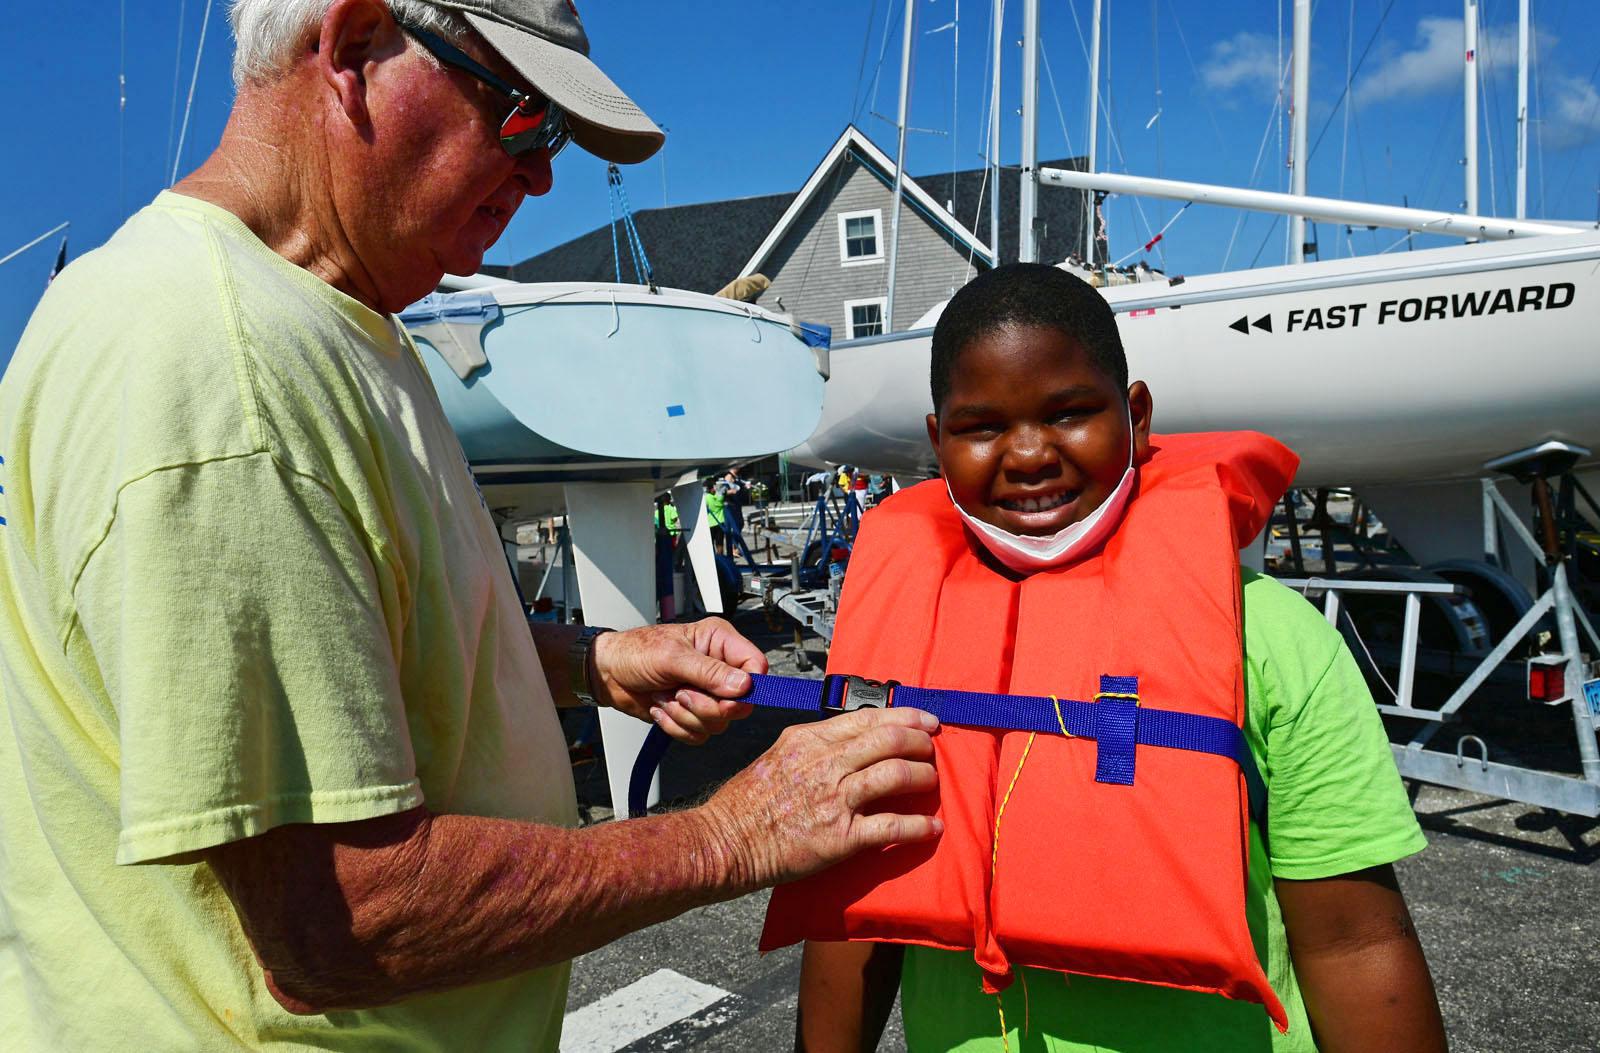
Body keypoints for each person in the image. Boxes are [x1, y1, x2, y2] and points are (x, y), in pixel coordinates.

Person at [0, 2, 942, 1048]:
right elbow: (346, 919)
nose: (543, 174)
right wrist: (731, 835)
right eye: (523, 117)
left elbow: (354, 651)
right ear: (354, 49)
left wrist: (593, 659)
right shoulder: (225, 365)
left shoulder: (338, 325)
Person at [795, 264, 1445, 1052]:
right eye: (981, 426)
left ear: (1135, 416)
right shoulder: (898, 636)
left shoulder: (1272, 636)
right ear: (937, 440)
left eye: (1070, 413)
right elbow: (854, 921)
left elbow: (1356, 940)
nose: (1029, 453)